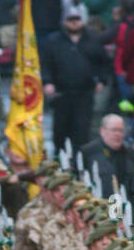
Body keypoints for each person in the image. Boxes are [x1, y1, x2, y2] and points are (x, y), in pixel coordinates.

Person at [42, 12, 107, 156]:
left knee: (82, 131)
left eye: (77, 20)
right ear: (65, 22)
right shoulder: (53, 40)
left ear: (82, 21)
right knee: (60, 131)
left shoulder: (93, 39)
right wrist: (47, 82)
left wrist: (102, 80)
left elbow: (103, 62)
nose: (74, 23)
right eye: (70, 20)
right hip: (61, 94)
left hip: (85, 93)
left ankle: (81, 163)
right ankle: (60, 160)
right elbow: (46, 63)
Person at [80, 114, 134, 200]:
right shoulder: (88, 152)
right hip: (99, 207)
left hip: (125, 207)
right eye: (114, 130)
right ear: (102, 131)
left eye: (121, 130)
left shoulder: (131, 154)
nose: (118, 134)